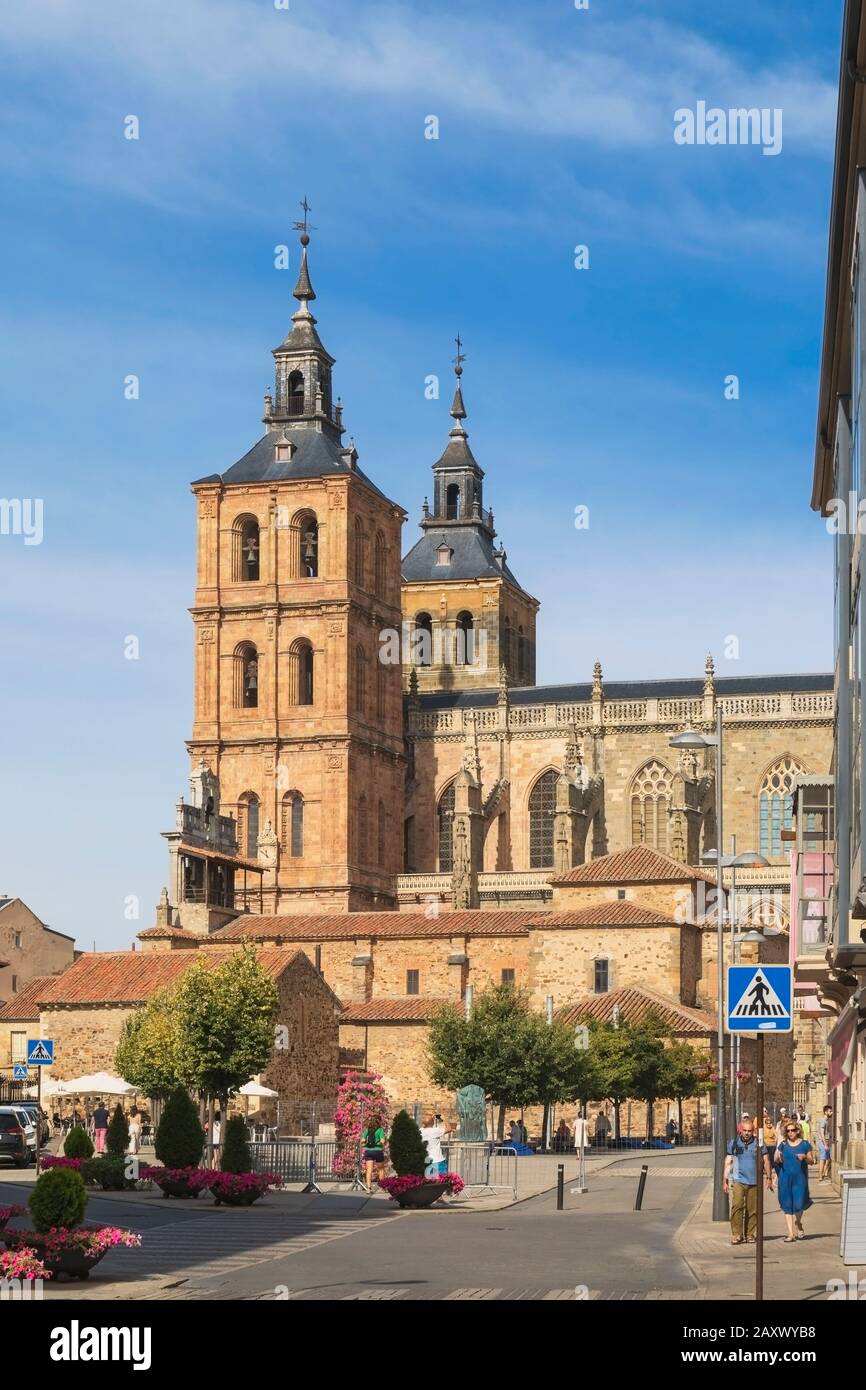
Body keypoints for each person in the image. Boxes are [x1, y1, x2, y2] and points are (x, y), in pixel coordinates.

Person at [723, 1114, 772, 1245]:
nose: (747, 1133)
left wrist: (769, 1177)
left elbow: (766, 1160)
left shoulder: (758, 1143)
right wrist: (725, 1180)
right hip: (738, 1179)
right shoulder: (734, 1143)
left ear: (753, 1131)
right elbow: (728, 1161)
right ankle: (737, 1234)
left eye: (749, 1131)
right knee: (737, 1206)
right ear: (740, 1130)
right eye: (744, 1130)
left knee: (753, 1209)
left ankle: (750, 1234)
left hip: (754, 1181)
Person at [774, 1119, 813, 1241]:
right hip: (785, 1179)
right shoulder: (783, 1144)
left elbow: (812, 1161)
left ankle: (798, 1222)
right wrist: (777, 1157)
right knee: (787, 1205)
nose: (790, 1132)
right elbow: (776, 1159)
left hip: (799, 1180)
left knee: (799, 1205)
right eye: (788, 1131)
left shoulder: (805, 1144)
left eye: (793, 1130)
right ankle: (791, 1234)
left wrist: (805, 1157)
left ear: (797, 1131)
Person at [361, 1116, 387, 1192]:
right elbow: (383, 1141)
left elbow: (362, 1141)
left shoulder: (367, 1130)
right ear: (378, 1121)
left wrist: (367, 1144)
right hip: (378, 1151)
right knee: (381, 1169)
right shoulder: (380, 1130)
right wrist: (378, 1143)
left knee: (369, 1170)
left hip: (368, 1151)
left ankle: (368, 1188)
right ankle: (382, 1188)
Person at [761, 1109, 776, 1185]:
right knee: (767, 1160)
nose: (769, 1124)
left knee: (772, 1161)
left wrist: (775, 1141)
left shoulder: (773, 1128)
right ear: (765, 1124)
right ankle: (768, 1174)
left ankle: (771, 1175)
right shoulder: (763, 1129)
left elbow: (776, 1136)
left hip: (772, 1146)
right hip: (766, 1146)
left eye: (770, 1123)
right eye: (767, 1123)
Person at [818, 1105, 833, 1182]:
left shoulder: (826, 1121)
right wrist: (825, 1145)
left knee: (828, 1159)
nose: (831, 1112)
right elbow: (822, 1133)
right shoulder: (823, 1121)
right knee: (823, 1159)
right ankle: (820, 1176)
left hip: (826, 1142)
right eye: (830, 1111)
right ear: (825, 1112)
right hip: (822, 1142)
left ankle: (824, 1174)